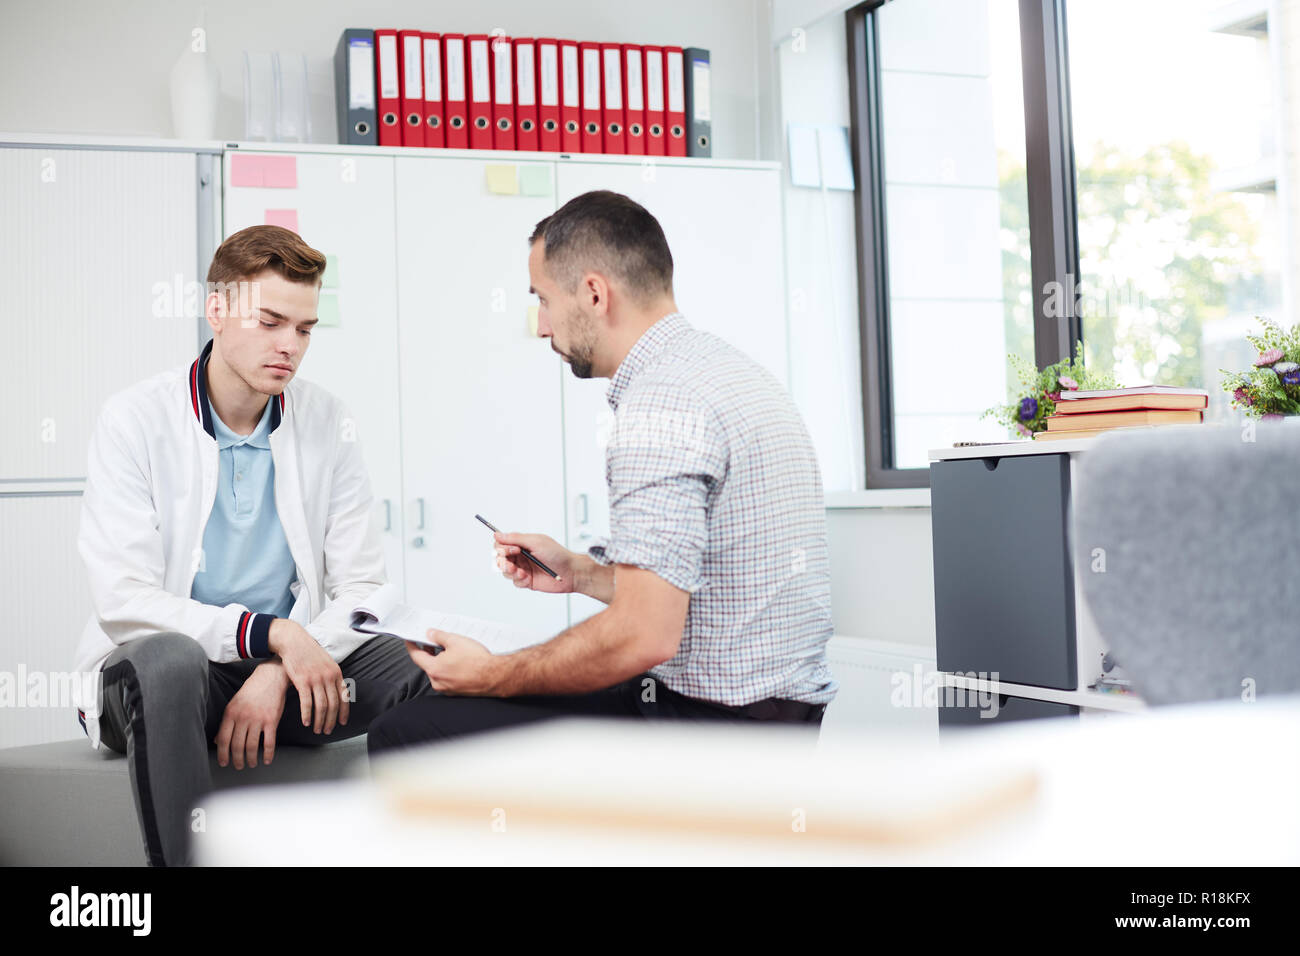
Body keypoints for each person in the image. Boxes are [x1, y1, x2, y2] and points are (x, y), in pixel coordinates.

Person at [367, 190, 836, 752]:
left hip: (708, 731)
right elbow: (692, 589)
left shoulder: (659, 407)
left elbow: (644, 634)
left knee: (409, 732)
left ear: (593, 293)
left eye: (542, 299)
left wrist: (494, 673)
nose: (542, 327)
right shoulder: (728, 372)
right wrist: (578, 572)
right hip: (775, 718)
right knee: (444, 704)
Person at [73, 225, 434, 866]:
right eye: (269, 322)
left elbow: (364, 592)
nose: (288, 347)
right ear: (217, 309)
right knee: (170, 662)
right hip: (165, 685)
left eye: (304, 329)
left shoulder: (328, 422)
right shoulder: (134, 420)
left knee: (422, 662)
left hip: (287, 680)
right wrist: (270, 634)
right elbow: (125, 600)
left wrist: (279, 663)